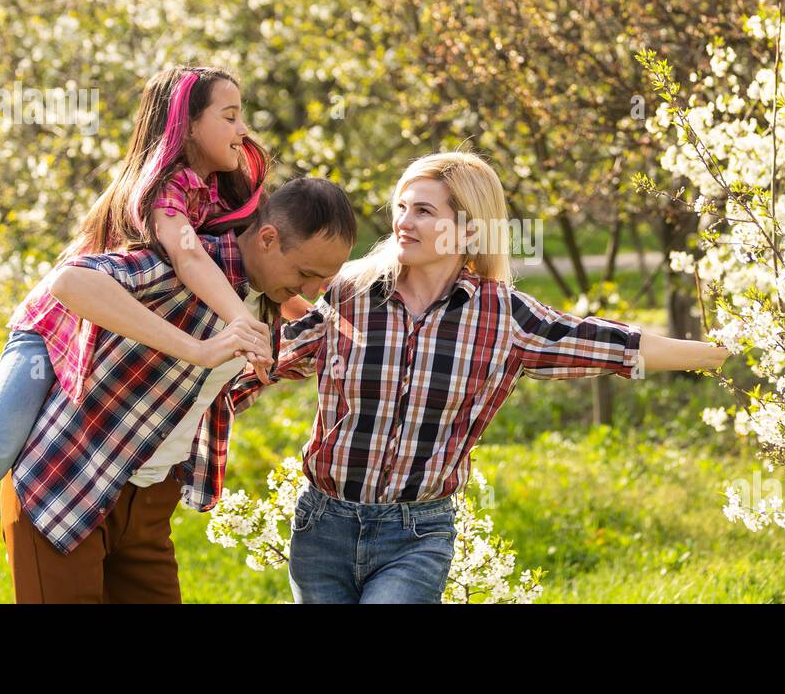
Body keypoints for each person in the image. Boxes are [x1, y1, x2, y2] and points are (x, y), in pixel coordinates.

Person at [0, 65, 293, 594]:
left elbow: (273, 271)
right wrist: (233, 325)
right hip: (49, 329)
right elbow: (190, 256)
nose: (244, 131)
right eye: (230, 116)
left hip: (97, 338)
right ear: (186, 125)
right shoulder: (164, 188)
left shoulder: (220, 196)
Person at [269, 151, 732, 603]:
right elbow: (273, 352)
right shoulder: (350, 292)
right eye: (402, 207)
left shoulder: (502, 316)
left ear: (469, 229)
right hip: (321, 527)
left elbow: (609, 344)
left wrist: (716, 355)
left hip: (415, 536)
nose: (403, 223)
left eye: (424, 211)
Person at [1, 177, 355, 602]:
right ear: (267, 238)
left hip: (148, 504)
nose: (312, 291)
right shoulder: (190, 262)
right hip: (66, 483)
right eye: (305, 273)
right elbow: (71, 282)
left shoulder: (268, 307)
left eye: (323, 280)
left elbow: (326, 341)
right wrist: (197, 350)